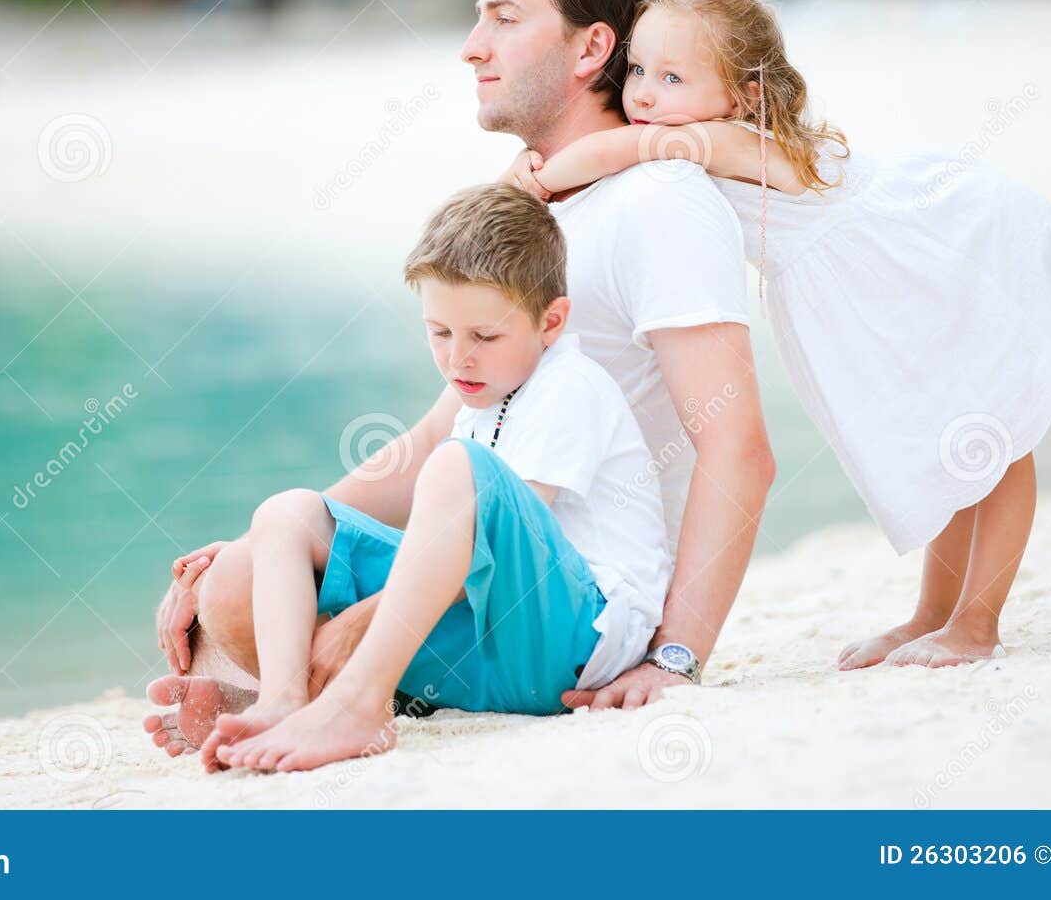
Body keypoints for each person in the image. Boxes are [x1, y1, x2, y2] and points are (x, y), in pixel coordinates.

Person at [147, 0, 776, 755]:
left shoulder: (658, 202)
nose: (472, 47)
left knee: (433, 495)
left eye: (504, 20)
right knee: (238, 579)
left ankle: (352, 693)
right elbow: (438, 435)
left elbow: (738, 446)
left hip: (571, 601)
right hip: (474, 569)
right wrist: (273, 544)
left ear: (592, 48)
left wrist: (676, 655)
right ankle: (299, 693)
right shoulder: (529, 216)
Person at [507, 0, 1051, 667]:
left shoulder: (726, 138)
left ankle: (977, 626)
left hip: (927, 261)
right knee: (941, 442)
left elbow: (629, 147)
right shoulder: (699, 130)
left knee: (993, 437)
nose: (643, 94)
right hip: (878, 290)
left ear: (744, 94)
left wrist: (533, 180)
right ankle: (932, 615)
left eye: (672, 78)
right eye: (638, 69)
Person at [151, 184, 672, 773]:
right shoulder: (483, 398)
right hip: (486, 653)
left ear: (550, 322)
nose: (458, 359)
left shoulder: (568, 387)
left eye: (485, 336)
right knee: (285, 514)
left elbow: (490, 541)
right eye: (440, 332)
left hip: (570, 640)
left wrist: (359, 620)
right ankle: (280, 702)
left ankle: (355, 706)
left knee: (455, 466)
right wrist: (251, 554)